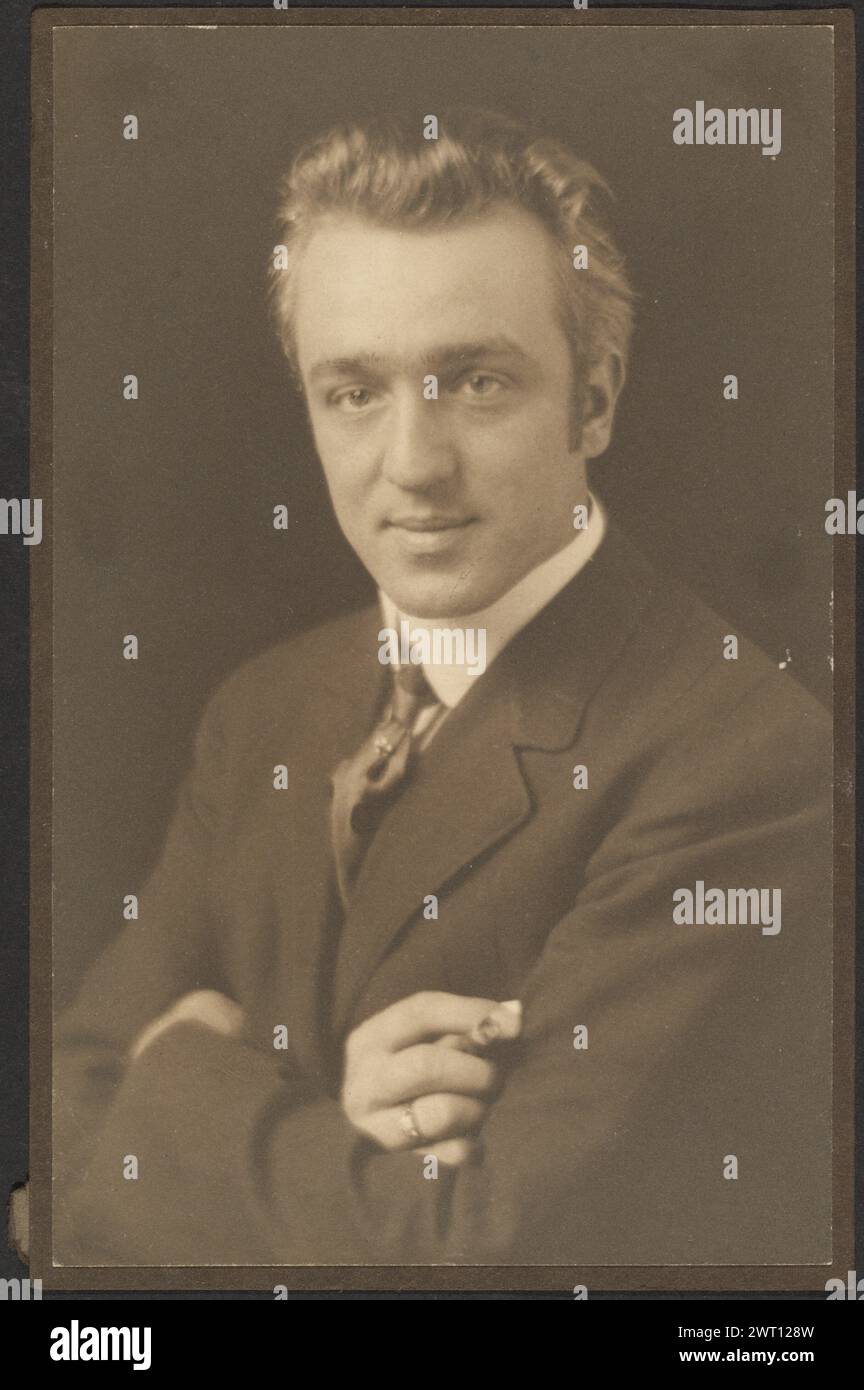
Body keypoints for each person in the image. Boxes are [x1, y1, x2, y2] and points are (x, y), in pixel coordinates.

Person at [54, 109, 832, 1268]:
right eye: (354, 392)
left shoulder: (742, 756)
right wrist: (333, 1119)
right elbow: (57, 1139)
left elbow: (485, 1251)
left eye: (475, 381)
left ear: (595, 399)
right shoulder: (261, 707)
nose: (413, 464)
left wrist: (186, 1072)